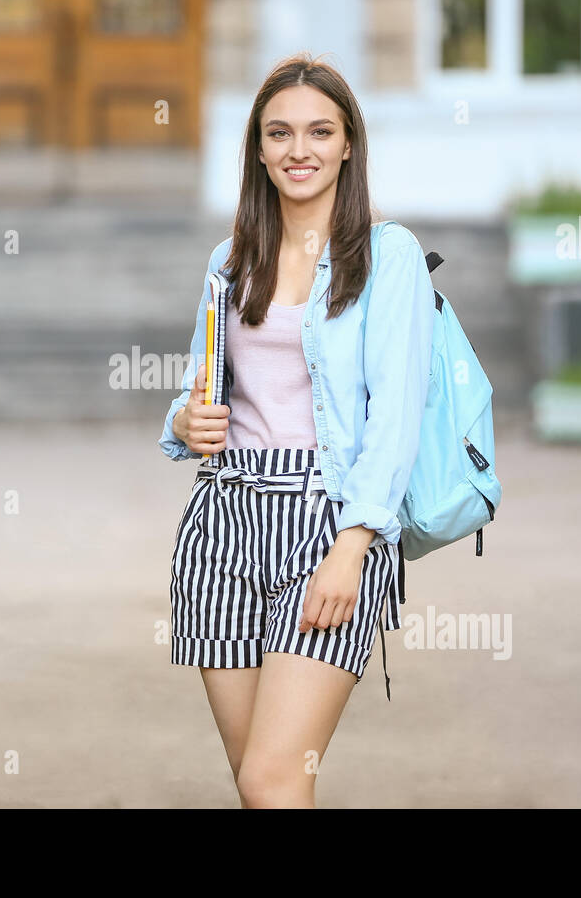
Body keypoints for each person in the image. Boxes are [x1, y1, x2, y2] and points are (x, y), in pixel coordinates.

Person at [158, 52, 434, 808]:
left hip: (328, 522)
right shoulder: (229, 260)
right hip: (222, 526)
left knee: (274, 778)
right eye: (279, 133)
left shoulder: (389, 257)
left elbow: (396, 415)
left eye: (320, 132)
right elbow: (196, 391)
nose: (299, 150)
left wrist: (354, 549)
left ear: (349, 144)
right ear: (257, 148)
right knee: (260, 784)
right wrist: (186, 419)